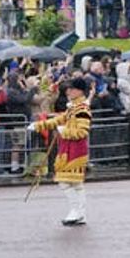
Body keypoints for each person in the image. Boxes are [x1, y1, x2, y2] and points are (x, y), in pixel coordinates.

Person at [28, 77, 92, 226]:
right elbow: (59, 119)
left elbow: (82, 132)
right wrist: (39, 125)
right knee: (75, 184)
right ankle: (79, 213)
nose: (68, 91)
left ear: (79, 91)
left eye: (71, 89)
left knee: (66, 181)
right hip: (69, 149)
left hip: (75, 150)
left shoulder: (82, 108)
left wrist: (64, 131)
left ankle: (76, 211)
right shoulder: (74, 107)